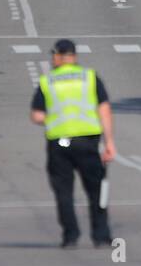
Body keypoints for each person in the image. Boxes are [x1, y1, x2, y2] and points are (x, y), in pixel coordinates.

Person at [29, 39, 115, 248]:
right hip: (88, 143)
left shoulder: (48, 81)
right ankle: (101, 235)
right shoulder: (90, 78)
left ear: (59, 56)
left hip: (60, 143)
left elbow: (37, 115)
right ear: (74, 56)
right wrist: (109, 142)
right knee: (97, 190)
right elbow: (104, 110)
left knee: (63, 192)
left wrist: (53, 120)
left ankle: (70, 236)